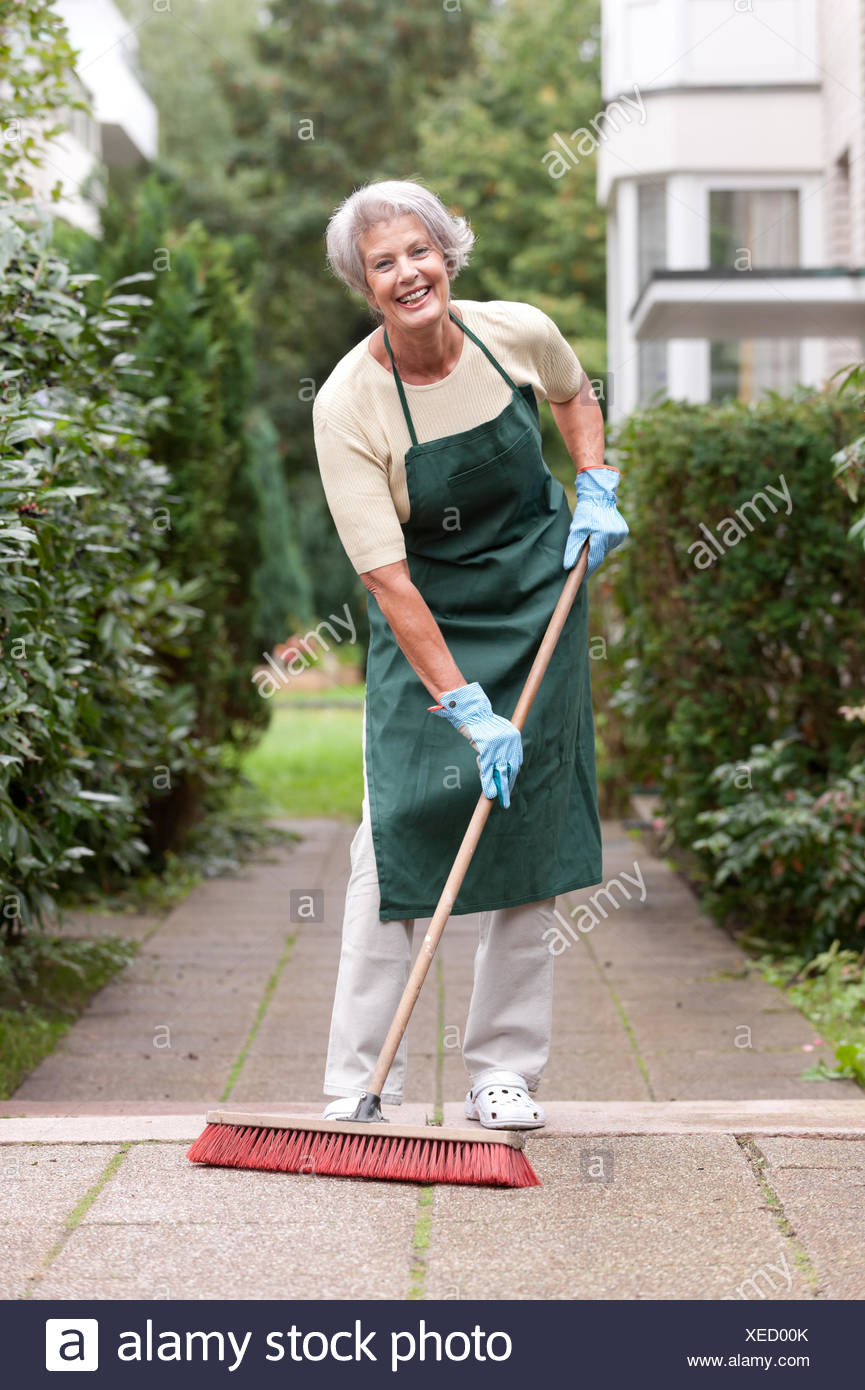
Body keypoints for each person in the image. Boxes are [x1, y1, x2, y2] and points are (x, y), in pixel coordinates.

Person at [311, 178, 628, 1129]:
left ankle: (503, 1071)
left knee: (527, 833)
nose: (408, 273)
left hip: (537, 599)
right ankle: (359, 1082)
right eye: (383, 263)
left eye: (420, 250)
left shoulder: (514, 331)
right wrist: (466, 707)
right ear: (365, 288)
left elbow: (574, 398)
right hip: (428, 622)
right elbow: (388, 581)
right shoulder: (348, 406)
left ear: (448, 252)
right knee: (394, 840)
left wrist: (595, 483)